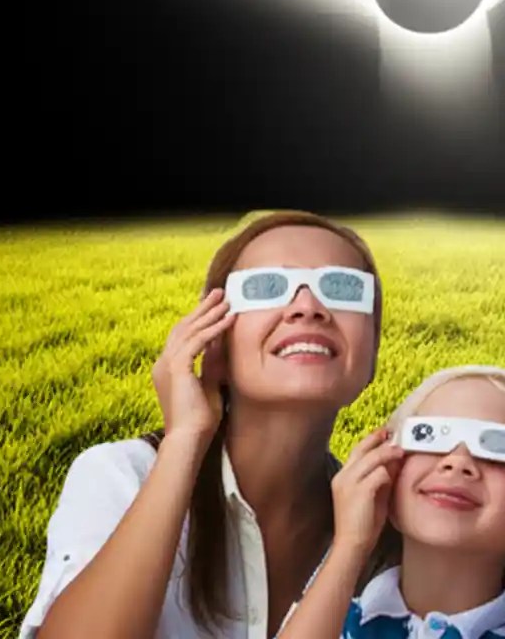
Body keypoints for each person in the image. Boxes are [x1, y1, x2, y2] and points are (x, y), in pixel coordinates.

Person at [19, 209, 385, 639]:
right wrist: (184, 439)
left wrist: (350, 549)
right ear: (214, 339)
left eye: (342, 288)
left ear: (372, 351)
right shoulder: (123, 475)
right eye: (266, 287)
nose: (308, 307)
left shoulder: (380, 523)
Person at [278, 364, 505, 639]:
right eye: (431, 437)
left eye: (499, 448)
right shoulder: (332, 618)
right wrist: (350, 543)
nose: (458, 462)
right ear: (387, 477)